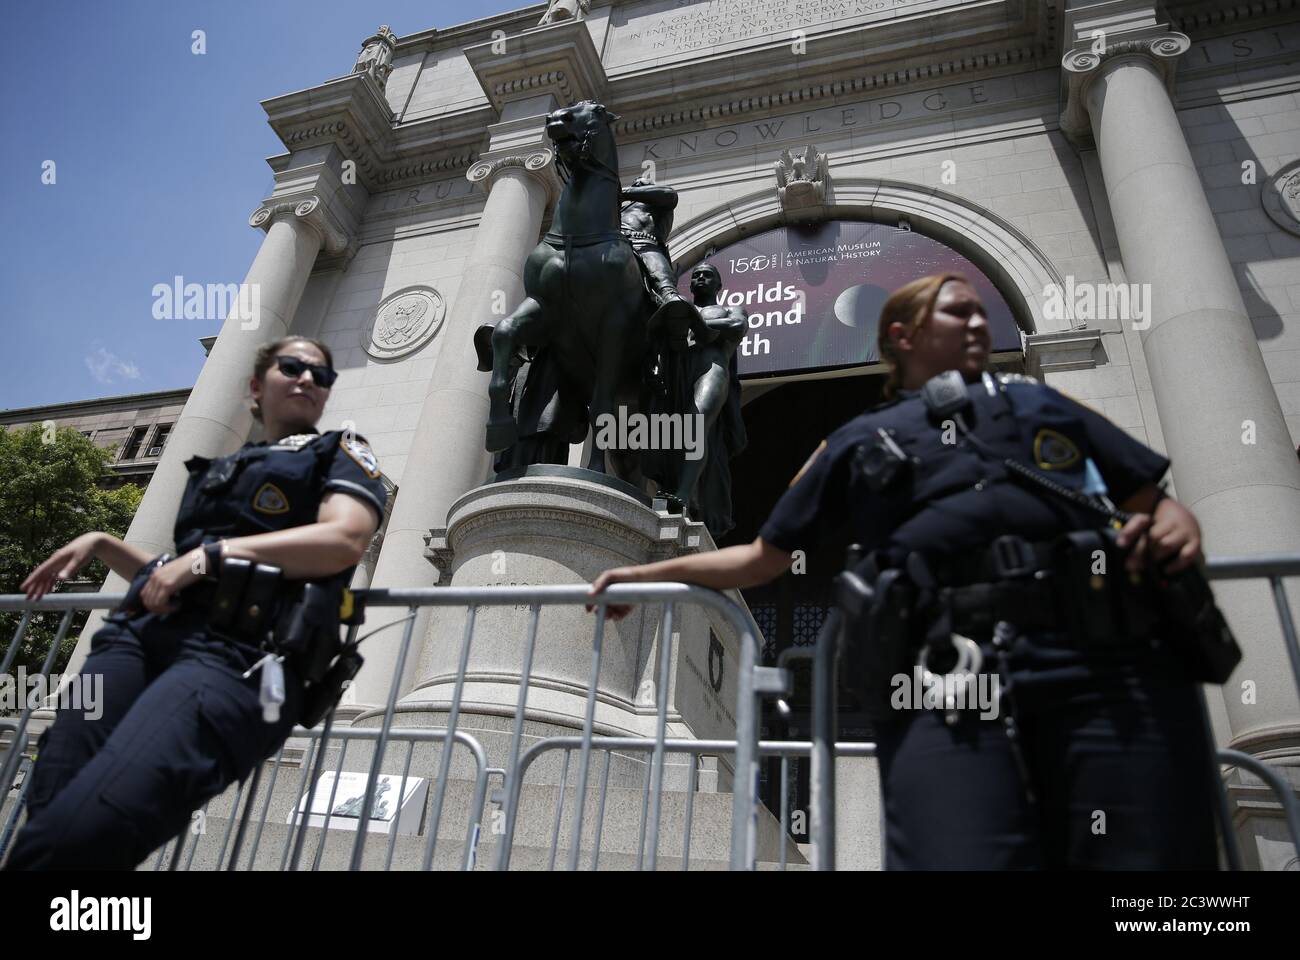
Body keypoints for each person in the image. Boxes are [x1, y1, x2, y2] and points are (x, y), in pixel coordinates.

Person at [590, 273, 1220, 869]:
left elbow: (1160, 507)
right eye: (957, 310)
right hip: (946, 678)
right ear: (902, 336)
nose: (977, 318)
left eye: (980, 310)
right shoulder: (854, 445)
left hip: (1101, 666)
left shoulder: (1044, 407)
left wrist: (1170, 526)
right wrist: (643, 576)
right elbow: (763, 559)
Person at [4, 336, 387, 870]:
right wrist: (101, 542)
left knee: (84, 829)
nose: (307, 379)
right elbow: (175, 571)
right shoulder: (222, 469)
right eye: (292, 367)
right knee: (52, 789)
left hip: (237, 655)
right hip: (137, 642)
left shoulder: (339, 452)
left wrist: (212, 554)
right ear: (256, 386)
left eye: (321, 375)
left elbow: (344, 539)